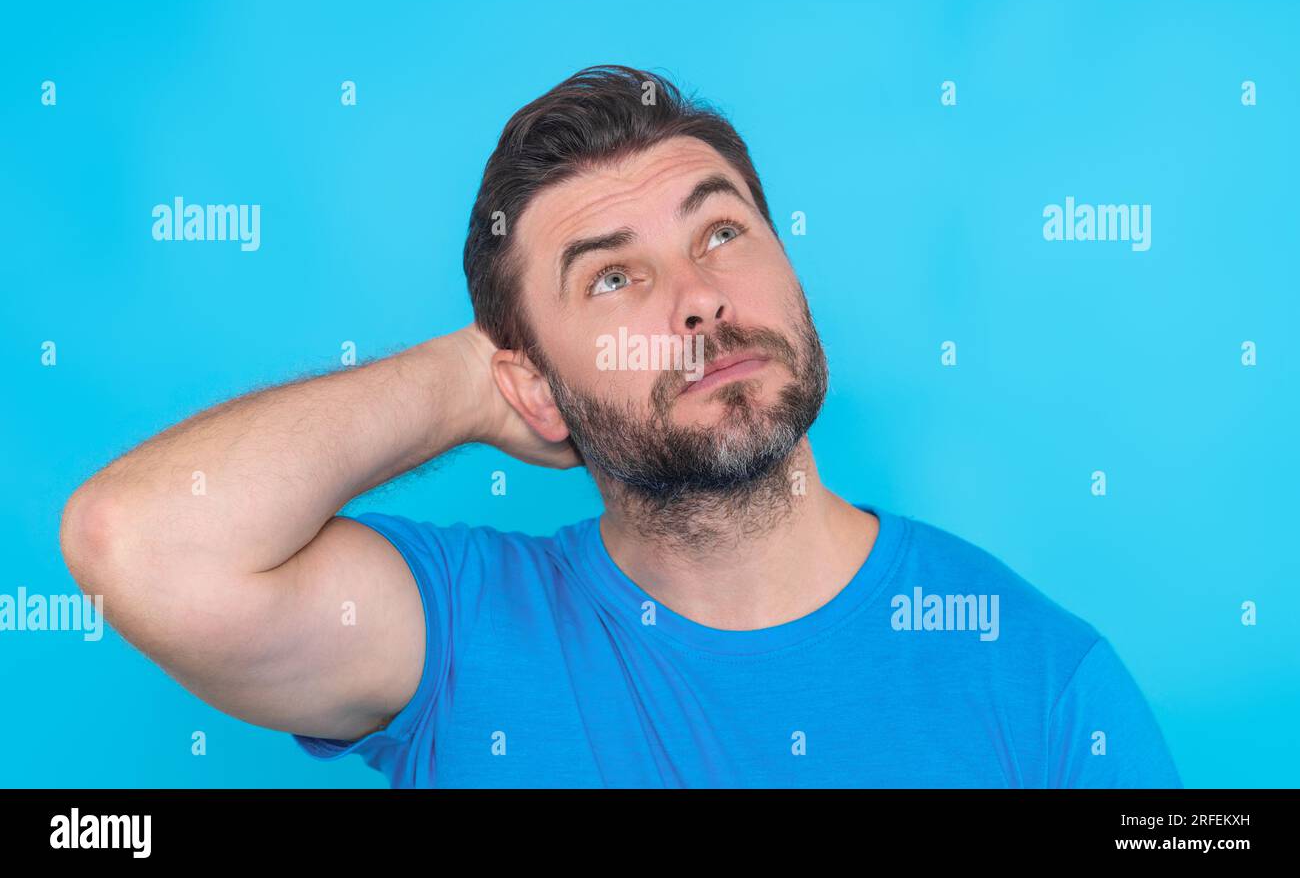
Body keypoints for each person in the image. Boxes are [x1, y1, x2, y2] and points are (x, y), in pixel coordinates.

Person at [60, 65, 1181, 788]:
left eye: (721, 235)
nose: (696, 297)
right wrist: (466, 383)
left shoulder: (1040, 677)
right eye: (611, 281)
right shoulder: (458, 634)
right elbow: (137, 542)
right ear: (533, 388)